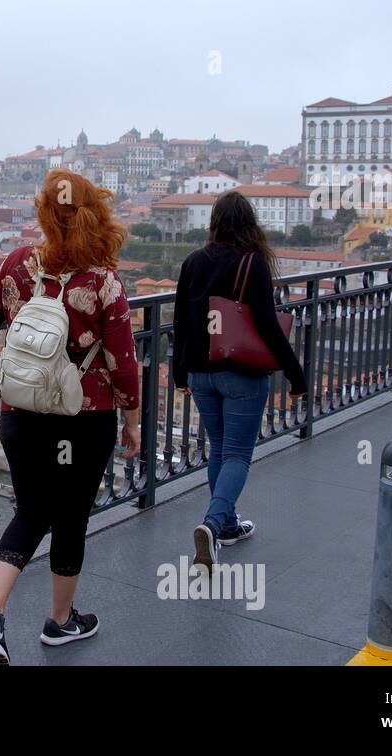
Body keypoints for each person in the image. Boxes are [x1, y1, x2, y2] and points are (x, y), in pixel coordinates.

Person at [0, 169, 141, 666]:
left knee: (32, 511)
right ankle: (60, 622)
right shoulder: (103, 281)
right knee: (71, 516)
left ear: (42, 212)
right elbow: (124, 363)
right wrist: (133, 422)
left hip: (22, 413)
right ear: (94, 214)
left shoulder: (18, 265)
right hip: (82, 417)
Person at [171, 191, 307, 572]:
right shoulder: (252, 263)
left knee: (219, 449)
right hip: (241, 373)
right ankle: (213, 525)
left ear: (214, 221)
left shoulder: (193, 261)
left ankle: (227, 524)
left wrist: (181, 372)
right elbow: (267, 324)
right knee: (236, 454)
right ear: (249, 223)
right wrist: (295, 374)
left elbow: (181, 321)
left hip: (200, 372)